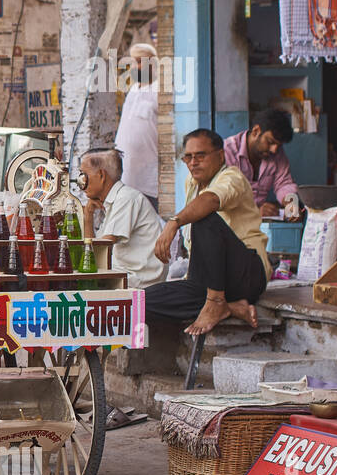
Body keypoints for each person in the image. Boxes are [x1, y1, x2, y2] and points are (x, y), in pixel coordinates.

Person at [146, 128, 271, 336]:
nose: (193, 162)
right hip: (212, 280)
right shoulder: (191, 183)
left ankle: (216, 302)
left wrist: (174, 222)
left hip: (247, 273)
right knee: (142, 302)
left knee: (203, 218)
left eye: (200, 156)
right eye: (188, 157)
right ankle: (231, 308)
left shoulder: (232, 177)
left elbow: (211, 200)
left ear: (220, 155)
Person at [80, 147, 166, 290]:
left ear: (101, 175)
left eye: (84, 176)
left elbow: (101, 248)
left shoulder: (126, 198)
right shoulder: (114, 201)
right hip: (125, 275)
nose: (81, 183)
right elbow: (94, 253)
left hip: (138, 281)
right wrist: (88, 215)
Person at [224, 108, 303, 220]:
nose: (274, 150)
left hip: (258, 225)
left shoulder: (277, 154)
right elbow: (224, 199)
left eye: (279, 145)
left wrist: (291, 204)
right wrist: (255, 211)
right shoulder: (227, 152)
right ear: (256, 131)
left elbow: (284, 183)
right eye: (270, 142)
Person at [114, 41, 160, 210]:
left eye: (140, 61)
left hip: (149, 175)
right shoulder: (133, 89)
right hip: (126, 173)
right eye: (133, 62)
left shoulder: (160, 90)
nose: (135, 66)